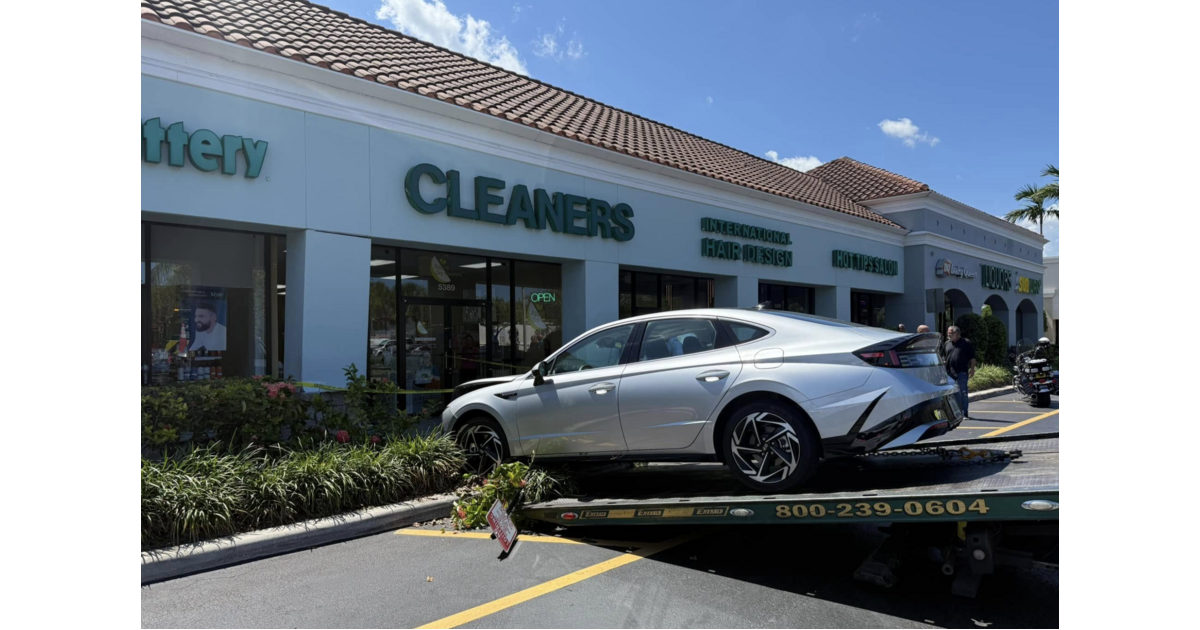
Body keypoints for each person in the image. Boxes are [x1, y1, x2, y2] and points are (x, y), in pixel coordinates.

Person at [943, 326, 976, 419]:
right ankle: (952, 414)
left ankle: (964, 413)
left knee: (963, 393)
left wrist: (972, 369)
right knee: (950, 394)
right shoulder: (947, 344)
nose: (948, 335)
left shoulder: (966, 343)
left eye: (951, 333)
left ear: (957, 334)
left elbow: (972, 358)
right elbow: (943, 357)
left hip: (962, 372)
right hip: (949, 373)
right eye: (948, 333)